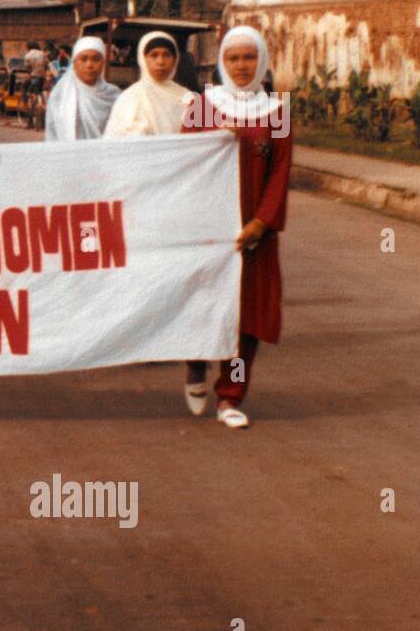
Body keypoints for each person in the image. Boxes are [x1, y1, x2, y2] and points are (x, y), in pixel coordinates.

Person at [182, 26, 292, 430]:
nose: (242, 66)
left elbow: (280, 171)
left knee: (249, 321)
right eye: (233, 58)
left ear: (261, 60)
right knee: (201, 308)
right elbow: (183, 166)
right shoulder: (201, 107)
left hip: (256, 233)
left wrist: (261, 222)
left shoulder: (278, 110)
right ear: (222, 63)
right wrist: (214, 138)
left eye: (249, 57)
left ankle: (231, 396)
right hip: (207, 231)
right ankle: (195, 365)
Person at [103, 32, 195, 138]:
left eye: (166, 55)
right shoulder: (130, 98)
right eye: (154, 55)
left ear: (175, 60)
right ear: (143, 59)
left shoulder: (188, 97)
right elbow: (114, 142)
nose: (160, 61)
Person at [44, 36, 121, 142]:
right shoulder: (60, 94)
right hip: (68, 156)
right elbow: (52, 134)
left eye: (96, 59)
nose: (89, 65)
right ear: (74, 63)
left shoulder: (113, 95)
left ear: (103, 62)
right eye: (83, 59)